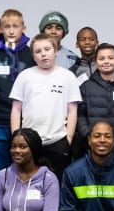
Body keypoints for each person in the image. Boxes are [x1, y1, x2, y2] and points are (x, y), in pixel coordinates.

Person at [9, 33, 81, 176]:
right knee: (28, 182)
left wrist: (69, 139)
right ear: (33, 56)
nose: (43, 54)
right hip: (28, 141)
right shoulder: (25, 76)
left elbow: (72, 111)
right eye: (38, 51)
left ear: (55, 52)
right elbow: (16, 109)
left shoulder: (68, 77)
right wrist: (16, 138)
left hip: (58, 140)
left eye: (47, 49)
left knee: (56, 182)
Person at [0, 9, 34, 178]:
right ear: (1, 29)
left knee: (24, 174)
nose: (11, 31)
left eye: (15, 26)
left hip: (26, 123)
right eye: (6, 27)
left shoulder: (31, 55)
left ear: (23, 28)